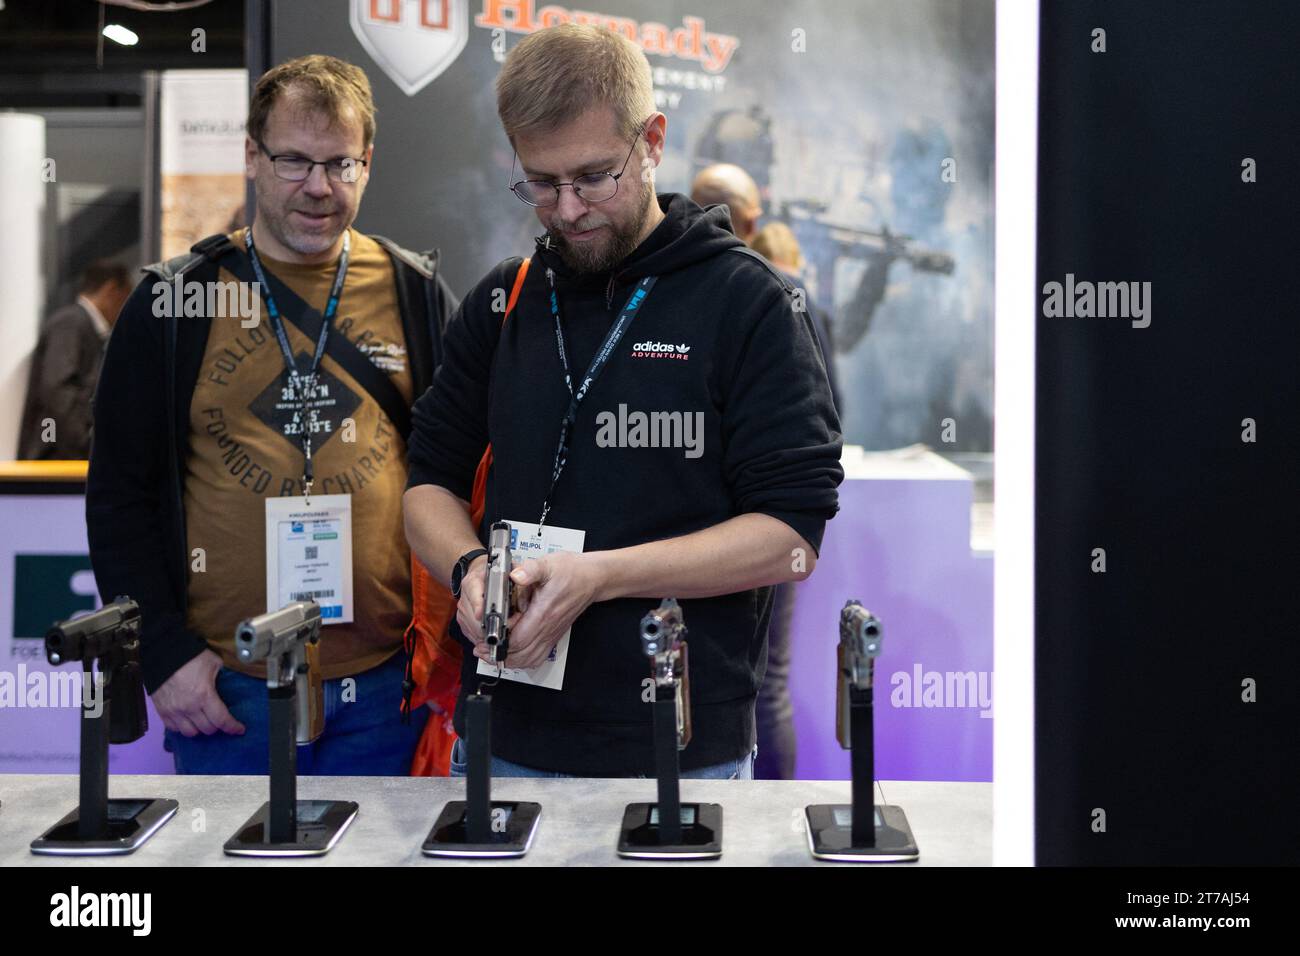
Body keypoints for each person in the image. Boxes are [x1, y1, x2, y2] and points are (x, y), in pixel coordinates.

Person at [403, 24, 842, 778]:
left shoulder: (749, 304)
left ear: (653, 140)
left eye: (594, 177)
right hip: (503, 735)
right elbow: (426, 487)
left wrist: (601, 576)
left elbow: (790, 538)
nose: (568, 209)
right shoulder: (504, 302)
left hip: (678, 750)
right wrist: (470, 568)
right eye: (541, 183)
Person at [86, 54, 458, 774]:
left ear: (368, 162)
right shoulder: (174, 303)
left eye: (340, 164)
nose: (318, 187)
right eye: (293, 161)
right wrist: (163, 655)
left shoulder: (415, 293)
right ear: (252, 155)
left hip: (388, 693)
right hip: (231, 694)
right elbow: (119, 498)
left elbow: (449, 469)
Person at [18, 260, 131, 460]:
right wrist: (86, 441)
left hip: (62, 456)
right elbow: (57, 387)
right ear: (111, 290)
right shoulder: (71, 323)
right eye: (126, 298)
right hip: (54, 459)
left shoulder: (83, 326)